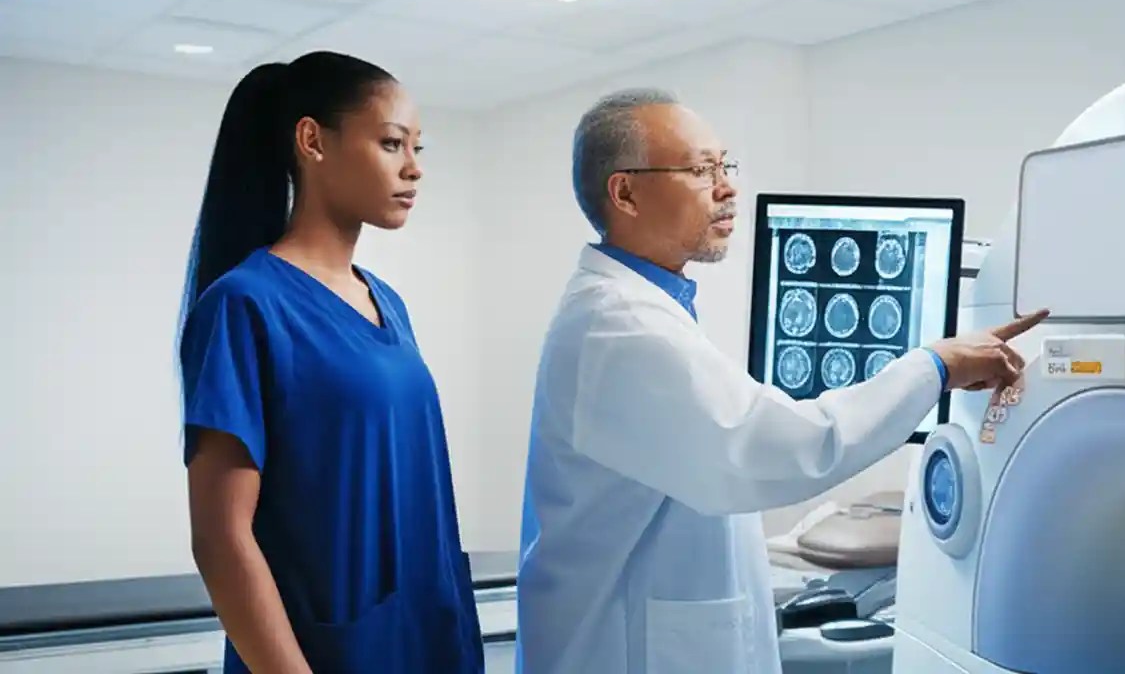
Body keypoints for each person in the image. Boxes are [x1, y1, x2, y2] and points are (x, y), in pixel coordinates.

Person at [514, 88, 1047, 674]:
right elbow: (782, 447)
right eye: (701, 170)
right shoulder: (618, 327)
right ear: (626, 193)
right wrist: (934, 367)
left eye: (725, 166)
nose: (727, 187)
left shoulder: (644, 309)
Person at [177, 51, 482, 674]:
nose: (414, 168)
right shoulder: (245, 305)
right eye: (392, 143)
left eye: (418, 147)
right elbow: (221, 538)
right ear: (313, 141)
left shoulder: (386, 302)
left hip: (425, 638)